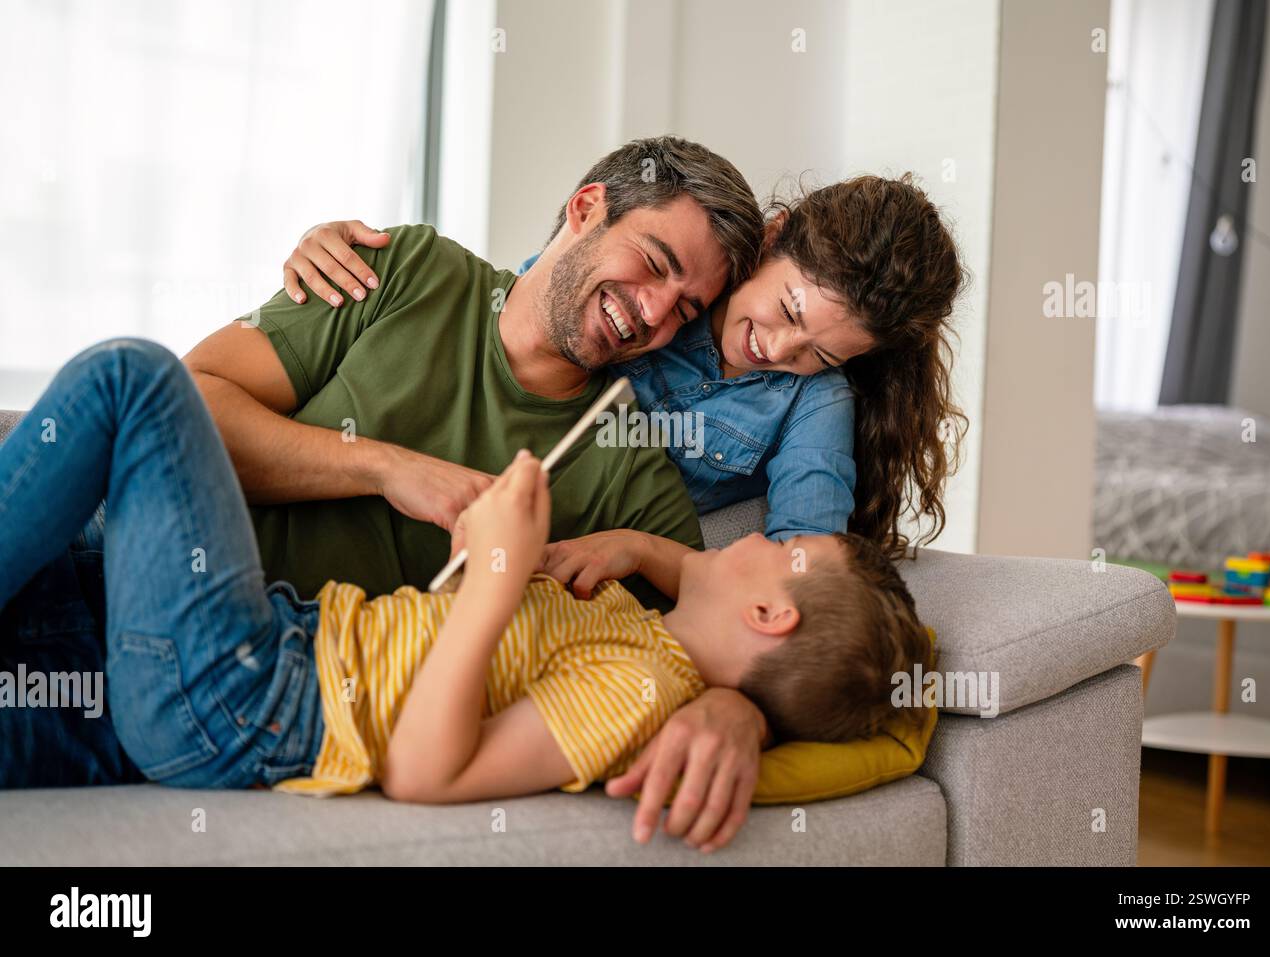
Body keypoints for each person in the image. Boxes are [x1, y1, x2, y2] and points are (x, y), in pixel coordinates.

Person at [0, 136, 777, 851]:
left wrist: (740, 713)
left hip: (199, 690)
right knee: (129, 380)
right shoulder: (410, 270)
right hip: (88, 550)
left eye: (683, 308)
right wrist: (386, 467)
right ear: (586, 207)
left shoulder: (628, 465)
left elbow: (723, 636)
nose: (651, 313)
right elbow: (188, 411)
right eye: (653, 261)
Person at [0, 339, 932, 854]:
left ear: (772, 614)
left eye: (786, 546)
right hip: (245, 656)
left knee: (137, 382)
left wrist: (492, 580)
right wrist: (625, 546)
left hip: (252, 696)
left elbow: (424, 773)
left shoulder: (643, 685)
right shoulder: (637, 621)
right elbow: (690, 576)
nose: (760, 534)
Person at [282, 174, 967, 602]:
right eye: (789, 311)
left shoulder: (816, 402)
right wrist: (339, 246)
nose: (779, 349)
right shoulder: (672, 273)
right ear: (772, 237)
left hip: (576, 555)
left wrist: (642, 550)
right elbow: (527, 306)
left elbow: (800, 570)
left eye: (819, 351)